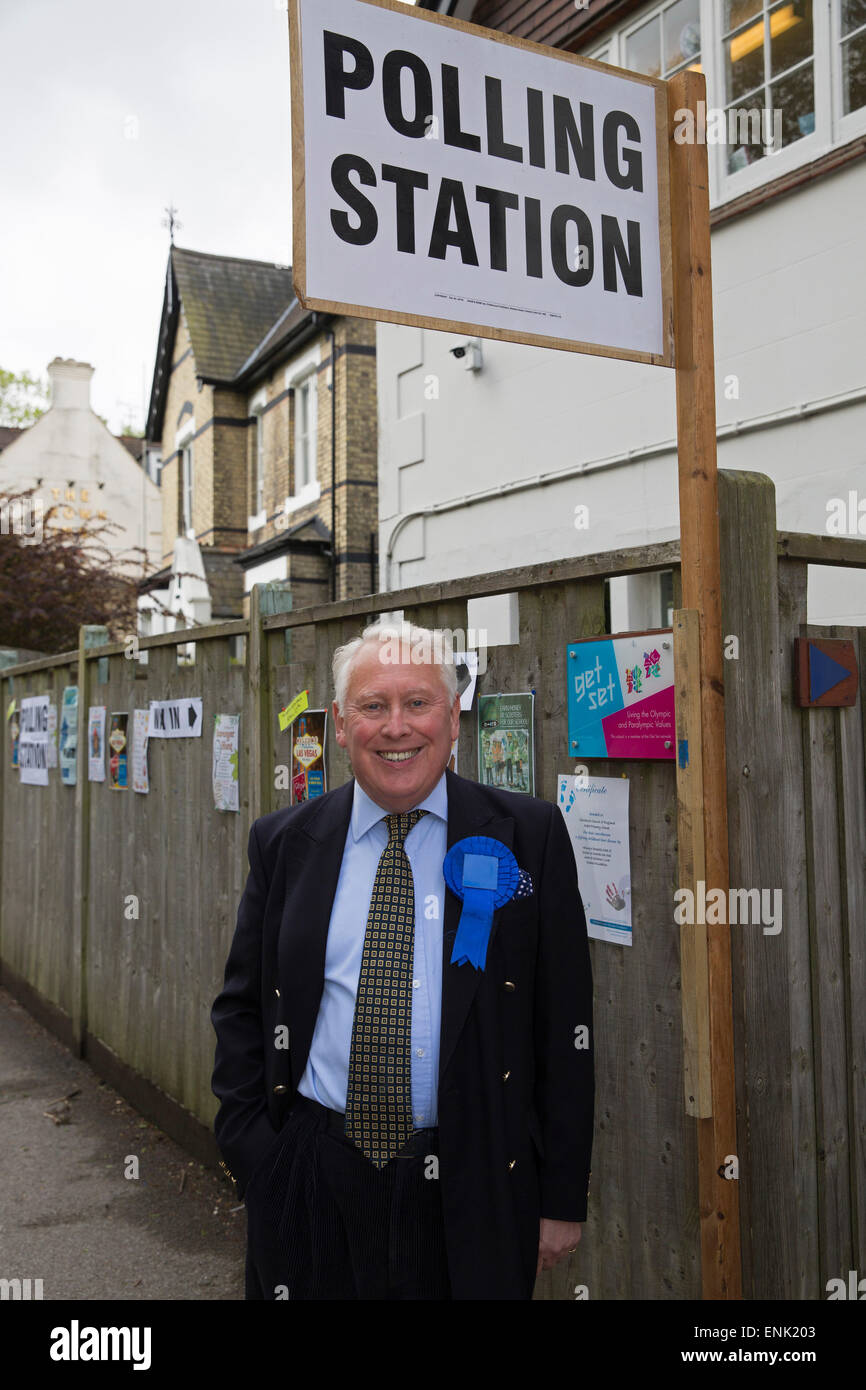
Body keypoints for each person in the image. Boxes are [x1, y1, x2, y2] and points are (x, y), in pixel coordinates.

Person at [211, 622, 594, 1300]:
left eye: (417, 703)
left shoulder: (526, 835)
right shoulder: (283, 843)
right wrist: (256, 1157)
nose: (396, 727)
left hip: (473, 1184)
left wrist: (560, 1198)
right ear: (338, 723)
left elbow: (564, 1029)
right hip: (312, 1173)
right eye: (373, 706)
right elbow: (244, 1008)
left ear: (452, 718)